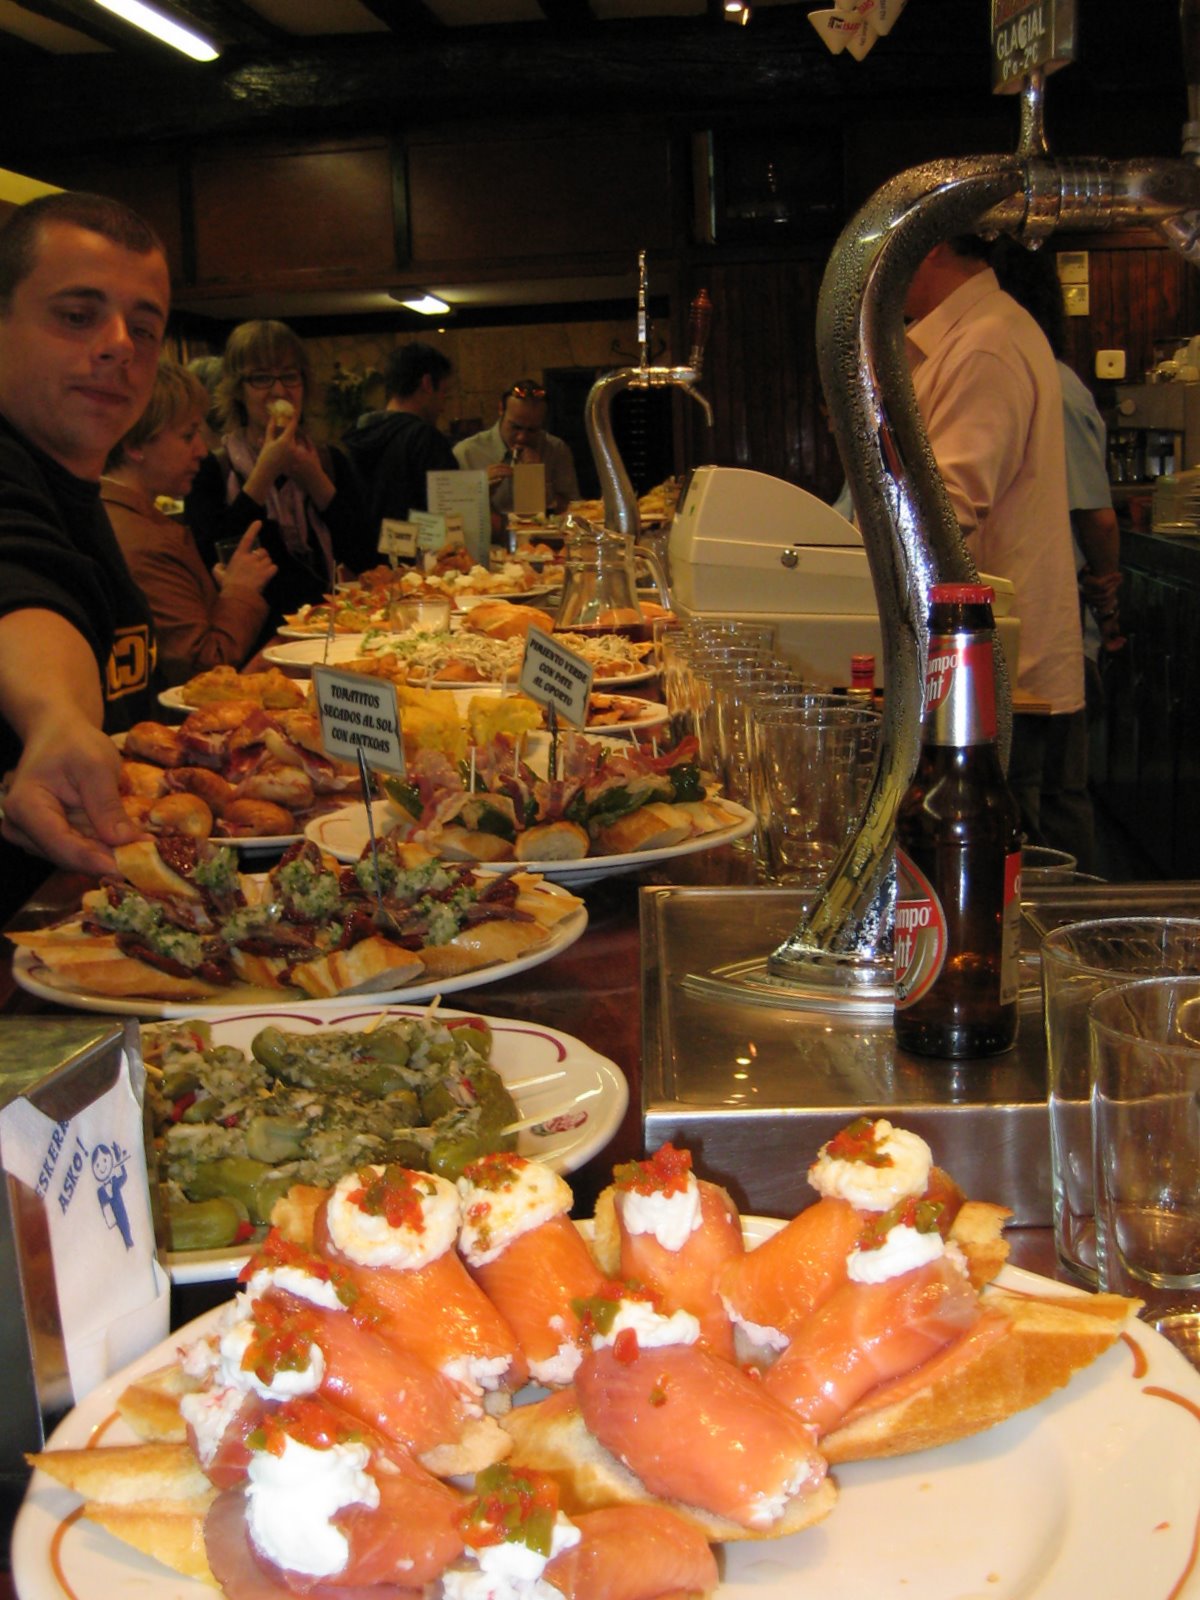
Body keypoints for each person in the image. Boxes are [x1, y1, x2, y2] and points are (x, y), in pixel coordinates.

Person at [0, 190, 170, 914]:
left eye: (144, 327)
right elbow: (20, 588)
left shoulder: (71, 483)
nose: (119, 345)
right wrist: (58, 721)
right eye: (77, 316)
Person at [903, 234, 1092, 868]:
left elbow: (948, 509)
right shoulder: (968, 336)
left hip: (1000, 664)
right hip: (983, 658)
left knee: (1006, 870)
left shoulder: (985, 340)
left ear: (929, 246)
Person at [186, 319, 372, 631]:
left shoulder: (330, 461)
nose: (278, 390)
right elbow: (212, 561)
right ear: (238, 391)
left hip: (331, 630)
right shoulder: (213, 469)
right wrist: (263, 474)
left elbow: (366, 557)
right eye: (261, 378)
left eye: (289, 376)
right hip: (252, 640)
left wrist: (315, 480)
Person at [990, 238, 1125, 671]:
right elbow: (1098, 520)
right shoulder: (1057, 382)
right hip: (1049, 621)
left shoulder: (1023, 379)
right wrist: (1108, 587)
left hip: (1035, 620)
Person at [102, 359, 276, 685]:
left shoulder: (124, 516)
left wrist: (222, 596)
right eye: (188, 435)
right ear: (135, 444)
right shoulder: (144, 540)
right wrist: (240, 591)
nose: (202, 450)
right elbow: (202, 668)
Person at [341, 340, 457, 534]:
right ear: (427, 383)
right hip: (415, 561)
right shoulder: (424, 439)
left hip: (364, 559)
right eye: (444, 393)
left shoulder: (358, 434)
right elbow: (448, 516)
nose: (443, 407)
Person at [453, 378, 580, 539]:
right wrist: (478, 492)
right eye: (515, 427)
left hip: (545, 548)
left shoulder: (556, 450)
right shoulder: (466, 453)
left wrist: (540, 481)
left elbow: (574, 511)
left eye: (532, 430)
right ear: (501, 410)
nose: (521, 437)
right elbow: (452, 519)